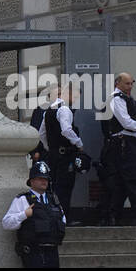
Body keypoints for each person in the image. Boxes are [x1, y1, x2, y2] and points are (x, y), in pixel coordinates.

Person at [101, 72, 136, 225]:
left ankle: (114, 215)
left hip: (130, 144)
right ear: (118, 83)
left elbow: (134, 121)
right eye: (127, 83)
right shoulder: (116, 99)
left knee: (124, 183)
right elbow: (126, 122)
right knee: (132, 180)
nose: (130, 87)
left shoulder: (131, 102)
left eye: (131, 83)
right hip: (122, 146)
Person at [3, 161, 66, 268]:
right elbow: (6, 223)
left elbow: (63, 219)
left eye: (45, 179)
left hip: (52, 251)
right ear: (32, 181)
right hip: (33, 252)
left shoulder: (53, 199)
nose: (44, 181)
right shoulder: (23, 199)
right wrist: (24, 214)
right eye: (40, 178)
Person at [38, 82, 83, 217]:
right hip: (65, 156)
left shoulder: (48, 111)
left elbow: (41, 134)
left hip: (52, 155)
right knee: (65, 187)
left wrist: (50, 147)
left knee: (53, 186)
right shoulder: (64, 109)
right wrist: (79, 144)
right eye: (75, 97)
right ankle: (64, 218)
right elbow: (66, 130)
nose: (75, 100)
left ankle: (54, 216)